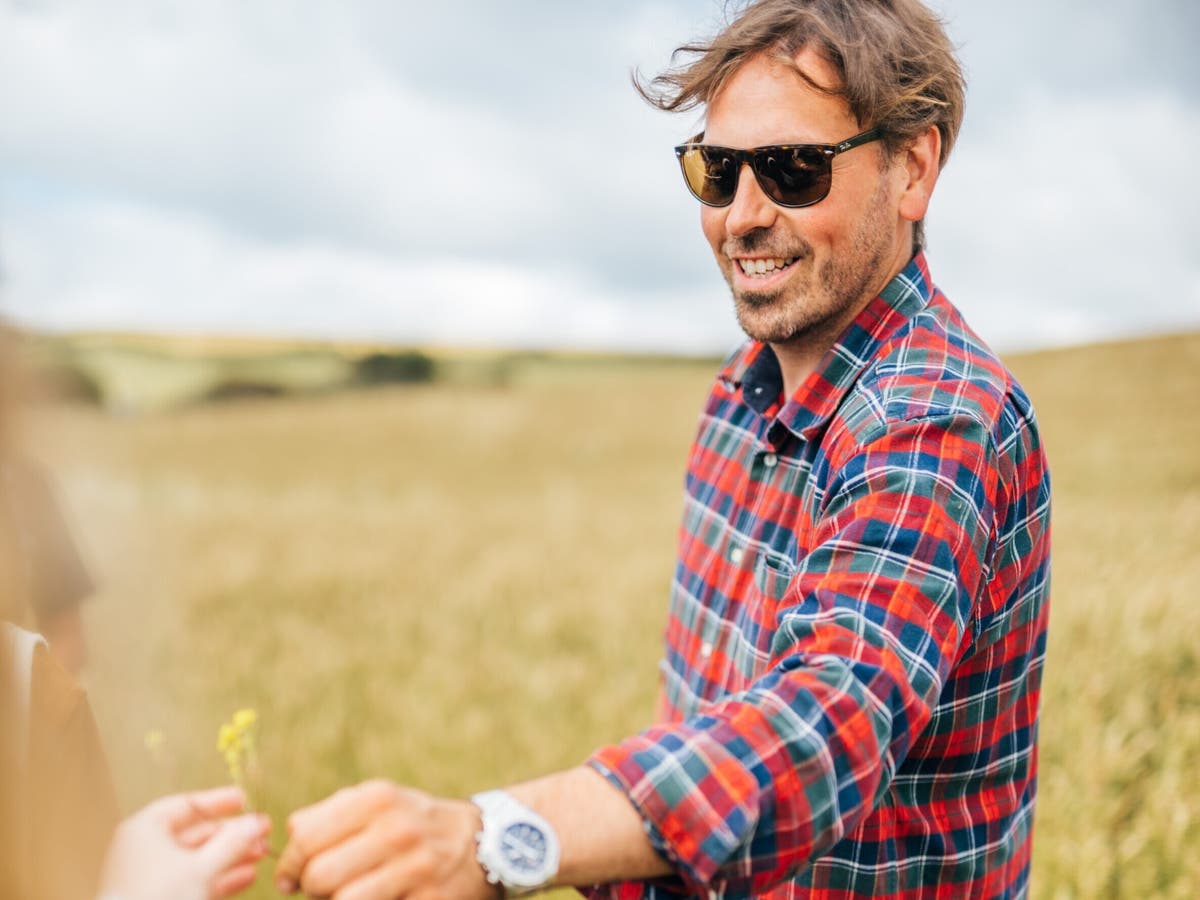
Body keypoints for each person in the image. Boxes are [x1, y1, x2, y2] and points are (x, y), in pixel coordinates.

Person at [275, 1, 1052, 898]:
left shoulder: (937, 416)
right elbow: (698, 719)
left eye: (794, 170)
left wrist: (502, 836)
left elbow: (824, 723)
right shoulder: (738, 395)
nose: (742, 216)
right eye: (717, 171)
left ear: (912, 168)